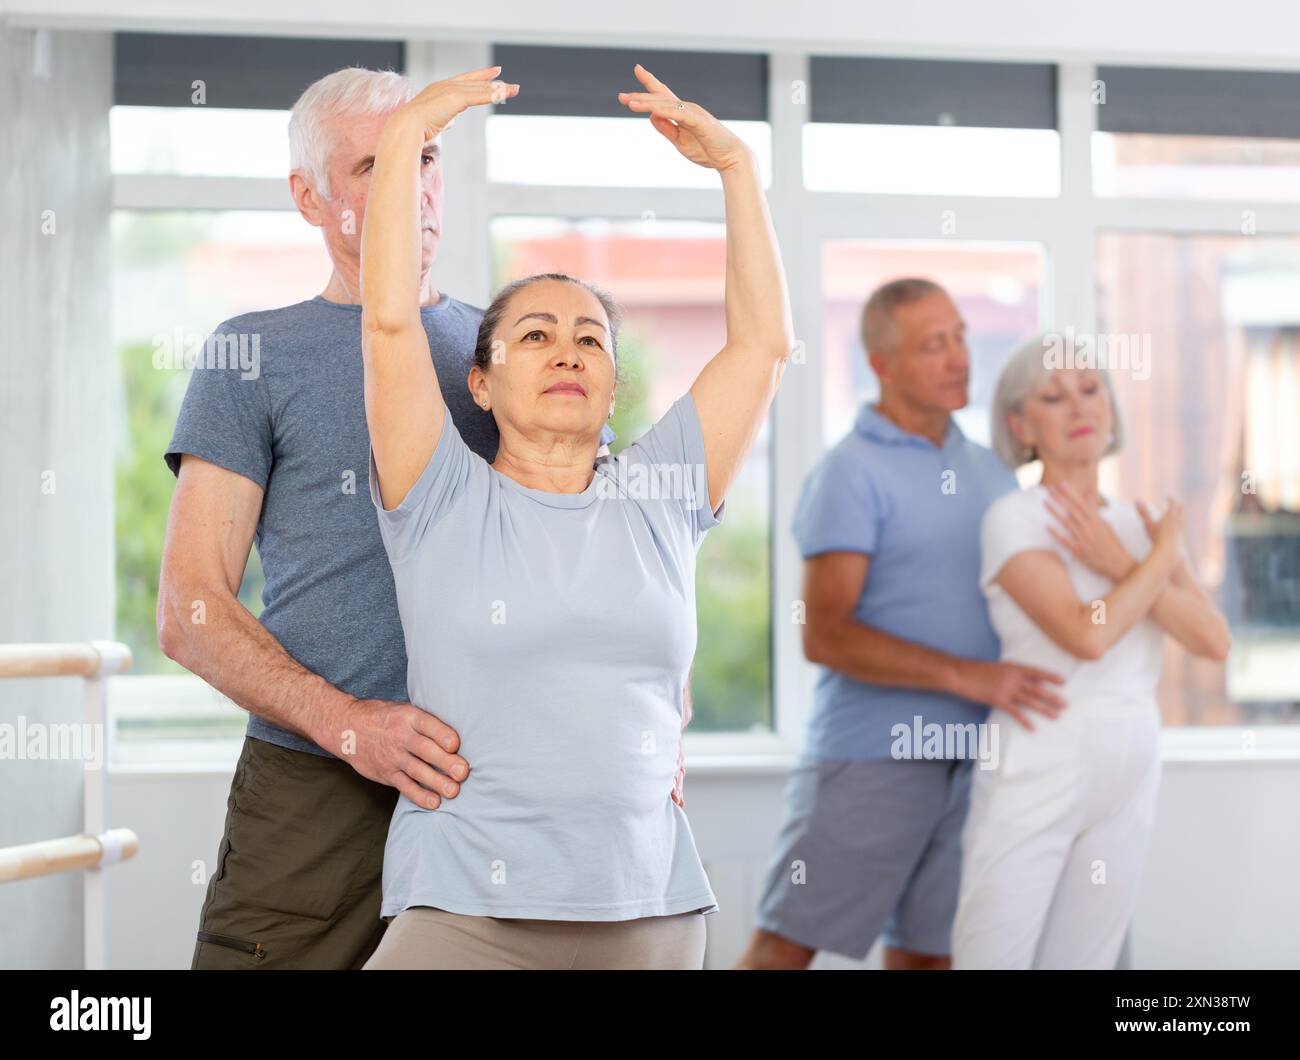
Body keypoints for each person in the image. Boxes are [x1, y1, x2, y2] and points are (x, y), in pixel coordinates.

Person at [157, 66, 626, 970]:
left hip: (494, 790)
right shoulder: (254, 354)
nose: (412, 181)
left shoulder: (511, 347)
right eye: (378, 160)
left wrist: (655, 725)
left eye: (429, 152)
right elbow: (190, 611)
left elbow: (617, 560)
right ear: (309, 195)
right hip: (314, 794)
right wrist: (351, 726)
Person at [356, 63, 794, 970]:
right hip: (464, 906)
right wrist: (405, 138)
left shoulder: (661, 494)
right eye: (535, 335)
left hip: (647, 911)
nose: (567, 351)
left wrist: (738, 171)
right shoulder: (440, 495)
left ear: (612, 381)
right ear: (480, 382)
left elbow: (762, 345)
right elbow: (389, 324)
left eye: (590, 337)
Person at [736, 279, 1067, 970]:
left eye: (960, 337)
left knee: (928, 957)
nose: (958, 359)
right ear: (882, 365)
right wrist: (968, 676)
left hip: (978, 758)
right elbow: (824, 633)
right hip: (871, 756)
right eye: (932, 345)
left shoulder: (991, 473)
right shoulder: (849, 473)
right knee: (784, 947)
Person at [951, 333, 1231, 969]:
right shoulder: (1014, 520)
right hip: (1038, 764)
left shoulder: (1141, 523)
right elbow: (1088, 632)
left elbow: (1213, 639)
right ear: (1021, 425)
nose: (1079, 408)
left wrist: (1126, 557)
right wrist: (1158, 560)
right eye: (1053, 397)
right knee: (991, 956)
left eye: (1090, 389)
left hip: (1130, 766)